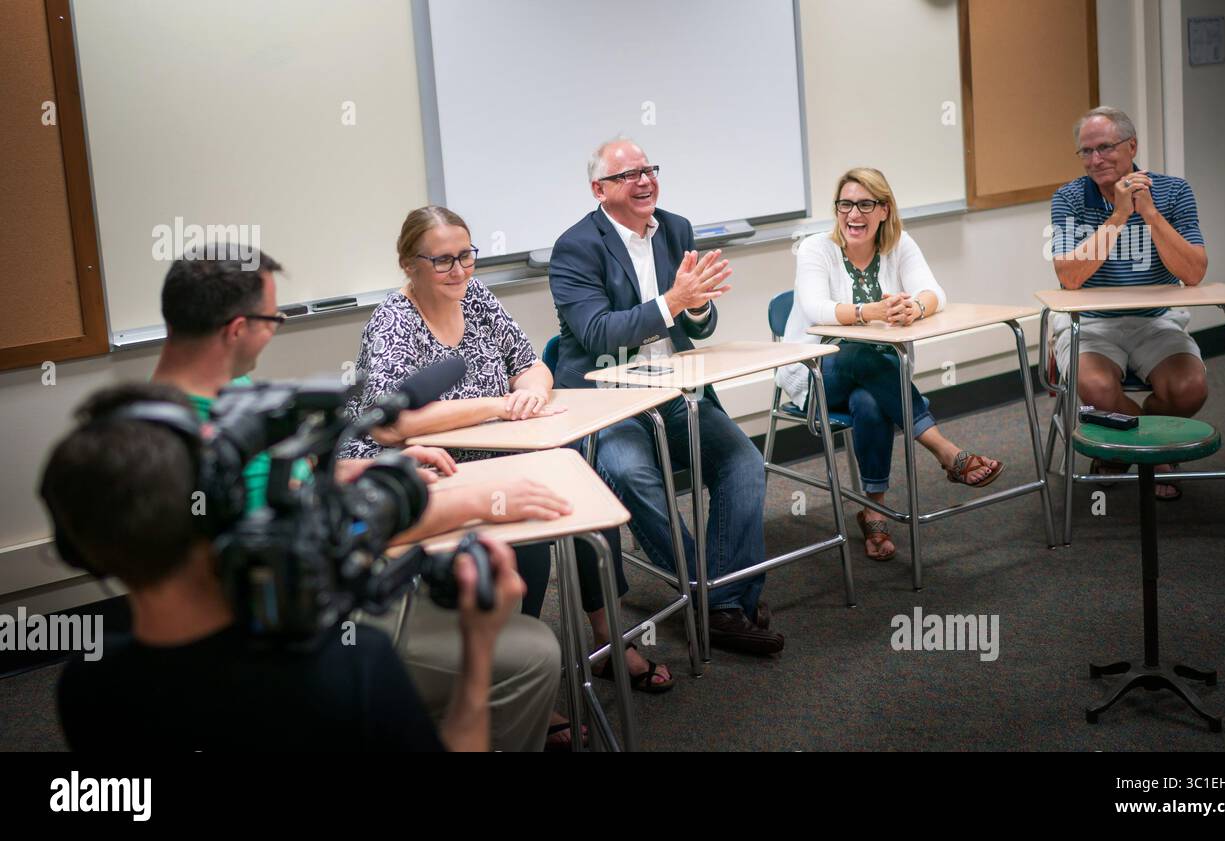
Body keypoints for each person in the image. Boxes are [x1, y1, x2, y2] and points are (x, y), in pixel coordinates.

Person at [151, 252, 562, 751]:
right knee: (535, 652)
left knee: (497, 586)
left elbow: (294, 473)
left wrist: (370, 467)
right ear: (238, 328)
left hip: (290, 600)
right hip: (299, 634)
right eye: (272, 319)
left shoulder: (205, 394)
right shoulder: (204, 436)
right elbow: (331, 535)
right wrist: (483, 500)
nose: (274, 331)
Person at [342, 207, 674, 749]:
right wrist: (495, 404)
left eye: (466, 255)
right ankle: (518, 681)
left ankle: (608, 638)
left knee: (583, 495)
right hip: (422, 466)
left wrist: (530, 390)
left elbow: (531, 362)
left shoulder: (476, 298)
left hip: (499, 451)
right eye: (443, 260)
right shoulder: (393, 321)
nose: (459, 270)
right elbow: (396, 421)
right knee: (532, 542)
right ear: (409, 265)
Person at [41, 383, 527, 751]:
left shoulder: (87, 685)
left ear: (80, 551)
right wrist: (477, 649)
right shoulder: (353, 670)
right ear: (224, 510)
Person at [549, 137, 782, 655]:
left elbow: (697, 323)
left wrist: (694, 306)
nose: (644, 180)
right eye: (628, 174)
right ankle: (720, 596)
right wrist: (673, 301)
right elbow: (597, 333)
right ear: (599, 190)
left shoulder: (675, 229)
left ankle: (720, 600)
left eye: (649, 169)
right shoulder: (575, 247)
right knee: (632, 475)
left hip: (673, 388)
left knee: (743, 463)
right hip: (603, 396)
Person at [777, 167, 1004, 561]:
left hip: (876, 383)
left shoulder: (899, 245)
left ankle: (874, 511)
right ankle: (944, 450)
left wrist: (912, 308)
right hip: (816, 377)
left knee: (869, 401)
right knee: (862, 353)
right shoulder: (816, 248)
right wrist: (872, 312)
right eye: (845, 204)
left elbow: (936, 293)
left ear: (884, 210)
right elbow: (815, 309)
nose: (854, 214)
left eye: (866, 204)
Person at [1050, 105, 1209, 500]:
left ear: (1132, 145)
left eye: (1104, 148)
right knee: (1096, 388)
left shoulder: (1173, 191)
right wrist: (1119, 215)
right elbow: (1069, 278)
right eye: (1086, 152)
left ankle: (1121, 449)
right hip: (1092, 322)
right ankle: (1153, 455)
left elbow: (1193, 273)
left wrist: (1149, 213)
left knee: (1190, 389)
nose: (1095, 160)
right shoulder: (1069, 198)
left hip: (1156, 320)